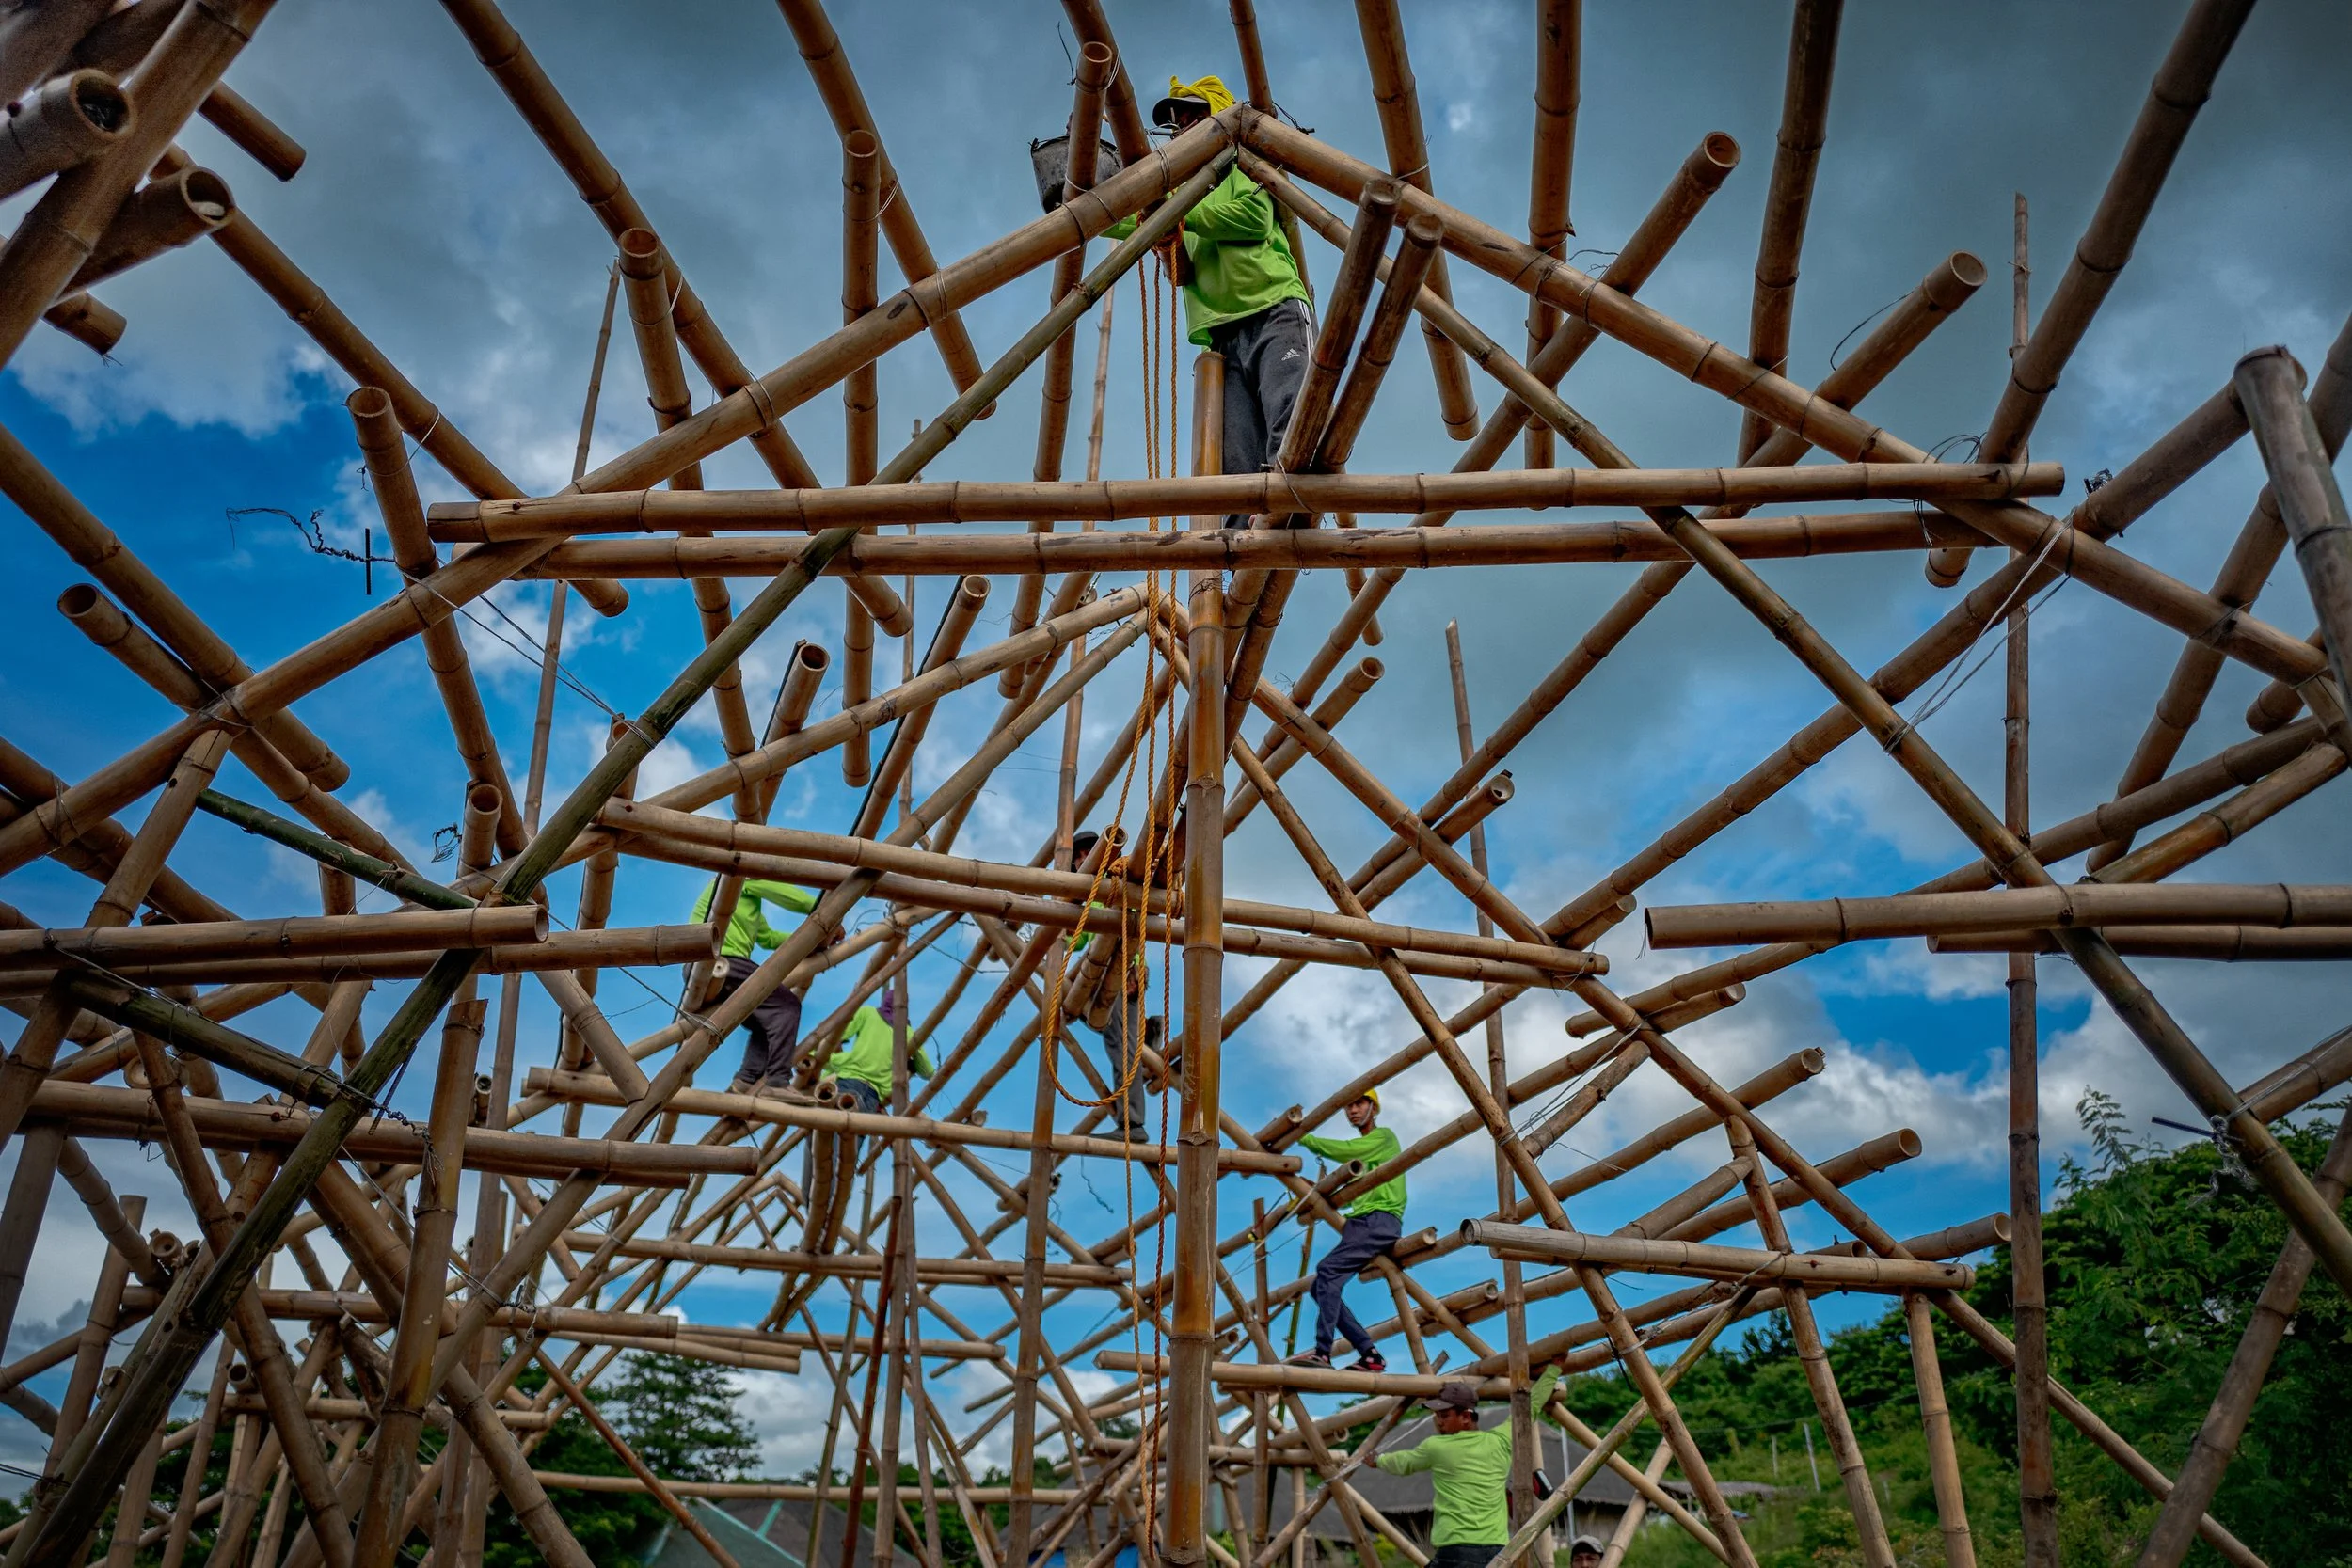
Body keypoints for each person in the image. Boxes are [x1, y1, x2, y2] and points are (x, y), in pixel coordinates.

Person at [1109, 75, 1311, 515]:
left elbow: (1254, 219)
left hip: (1274, 307)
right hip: (1222, 332)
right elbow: (1131, 222)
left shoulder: (1240, 164)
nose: (1183, 129)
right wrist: (1086, 209)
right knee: (1235, 458)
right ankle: (1243, 551)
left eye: (1193, 118)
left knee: (1290, 421)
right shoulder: (1180, 195)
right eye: (1178, 123)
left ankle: (1293, 516)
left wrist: (1179, 210)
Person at [1371, 1360, 1565, 1568]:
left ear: (1465, 1417)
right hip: (1496, 1550)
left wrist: (1377, 1460)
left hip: (1456, 1549)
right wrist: (1554, 1369)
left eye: (1444, 1415)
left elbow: (1403, 1463)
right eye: (1437, 1415)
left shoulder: (1435, 1447)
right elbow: (1531, 1405)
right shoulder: (1500, 1440)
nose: (1438, 1420)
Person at [1284, 1087, 1404, 1371]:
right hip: (1361, 1223)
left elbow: (1346, 1151)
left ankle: (1323, 1352)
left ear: (1373, 1108)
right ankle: (1369, 1353)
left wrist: (1305, 1137)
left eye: (1360, 1104)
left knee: (1327, 1271)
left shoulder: (1383, 1138)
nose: (1353, 1110)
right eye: (1349, 1106)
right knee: (1320, 1287)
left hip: (1380, 1220)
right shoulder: (1369, 1154)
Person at [691, 877, 822, 1097]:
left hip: (718, 966)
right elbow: (788, 895)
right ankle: (778, 1081)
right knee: (787, 1005)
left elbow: (768, 938)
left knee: (766, 1021)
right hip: (721, 960)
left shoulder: (745, 903)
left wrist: (815, 940)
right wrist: (824, 913)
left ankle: (745, 1079)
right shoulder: (738, 878)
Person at [818, 989, 934, 1113]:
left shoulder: (867, 1013)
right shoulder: (908, 1033)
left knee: (832, 1125)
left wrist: (815, 1056)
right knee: (854, 1130)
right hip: (873, 1096)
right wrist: (911, 1067)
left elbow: (837, 1036)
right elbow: (928, 1072)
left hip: (850, 1081)